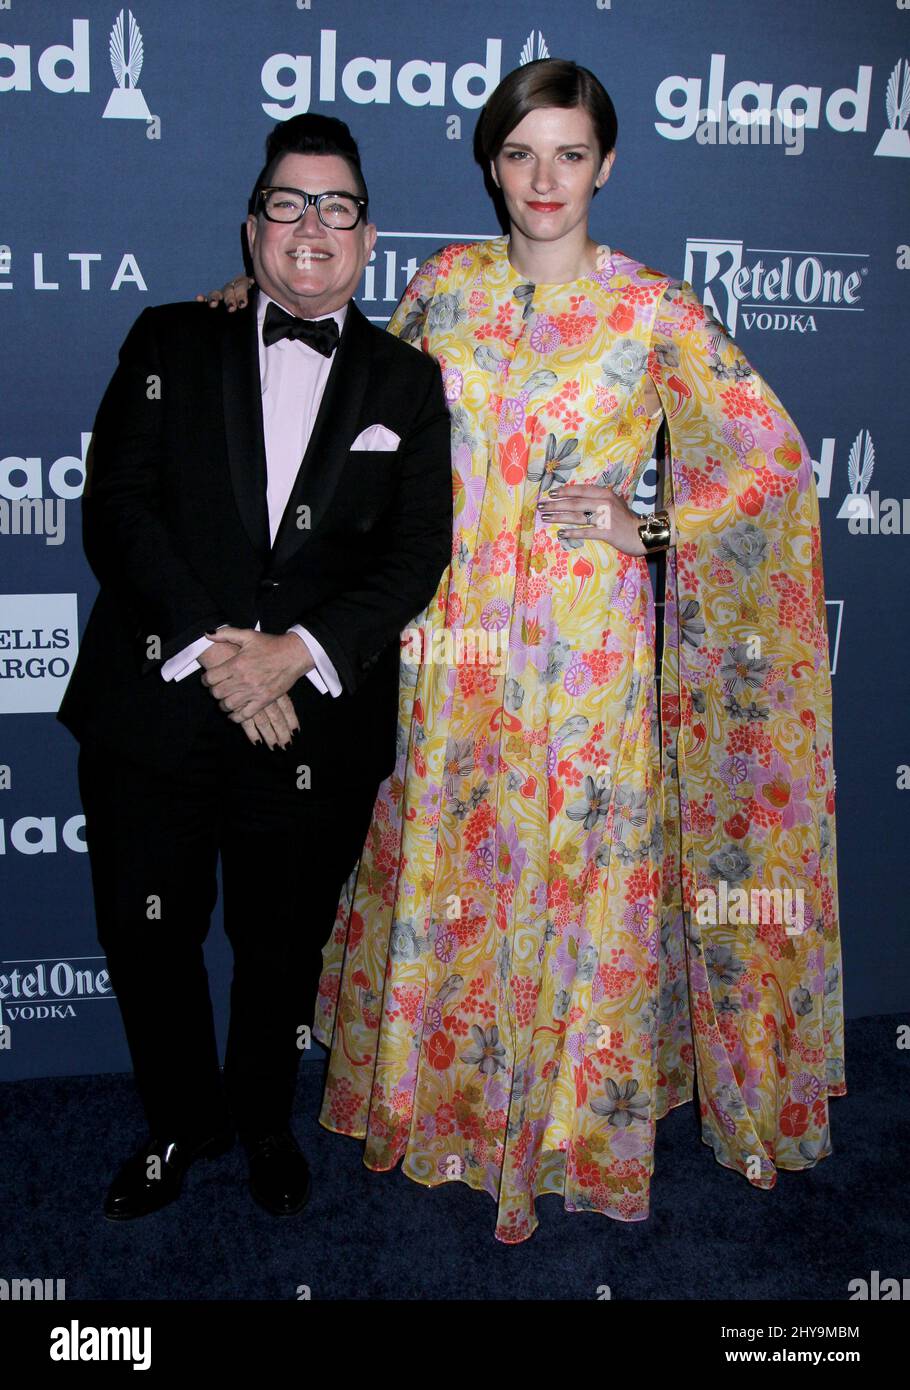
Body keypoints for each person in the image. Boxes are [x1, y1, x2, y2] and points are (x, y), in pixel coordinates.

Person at [210, 60, 845, 1244]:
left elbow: (769, 469)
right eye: (518, 153)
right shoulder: (443, 288)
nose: (542, 179)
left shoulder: (654, 310)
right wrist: (241, 309)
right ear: (489, 165)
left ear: (604, 164)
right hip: (448, 646)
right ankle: (441, 1103)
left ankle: (562, 1128)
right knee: (451, 854)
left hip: (584, 655)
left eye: (567, 153)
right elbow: (348, 378)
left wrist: (649, 522)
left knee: (570, 874)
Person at [57, 114, 453, 1221]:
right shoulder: (167, 341)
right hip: (158, 706)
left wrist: (292, 655)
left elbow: (416, 552)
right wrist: (222, 651)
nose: (311, 225)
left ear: (368, 238)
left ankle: (267, 1118)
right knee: (148, 932)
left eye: (337, 205)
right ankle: (182, 1121)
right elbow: (120, 513)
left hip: (313, 724)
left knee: (280, 948)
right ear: (252, 229)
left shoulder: (406, 384)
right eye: (288, 203)